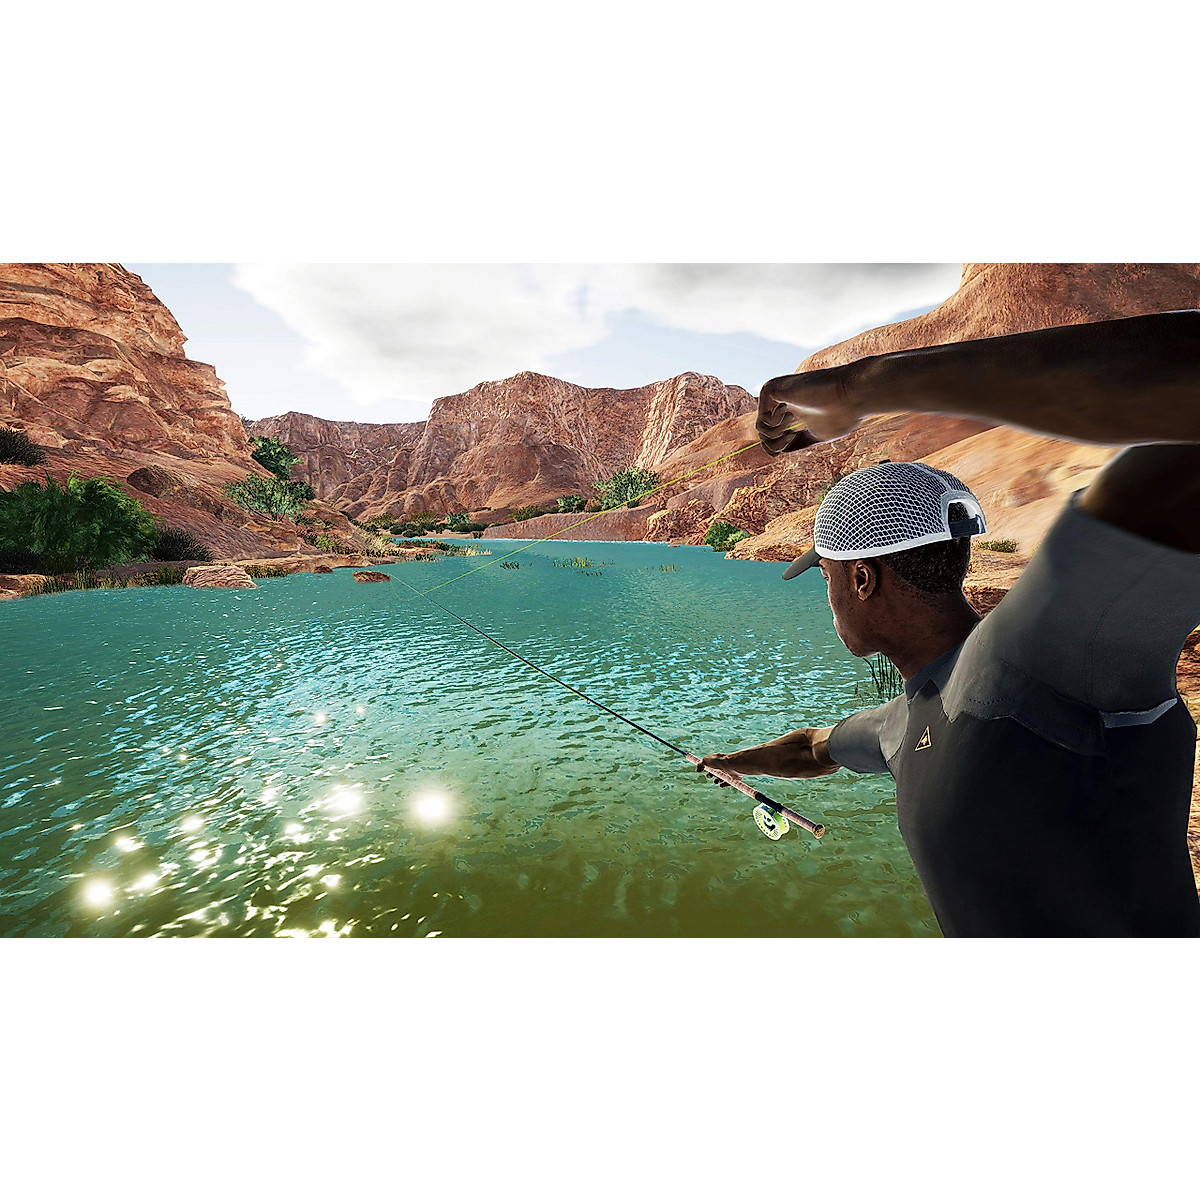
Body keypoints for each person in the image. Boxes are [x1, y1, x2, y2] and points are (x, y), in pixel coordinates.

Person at [697, 309, 1200, 937]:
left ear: (861, 579)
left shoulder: (1045, 649)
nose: (827, 597)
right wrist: (733, 762)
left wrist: (859, 389)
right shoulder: (897, 724)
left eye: (826, 576)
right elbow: (812, 748)